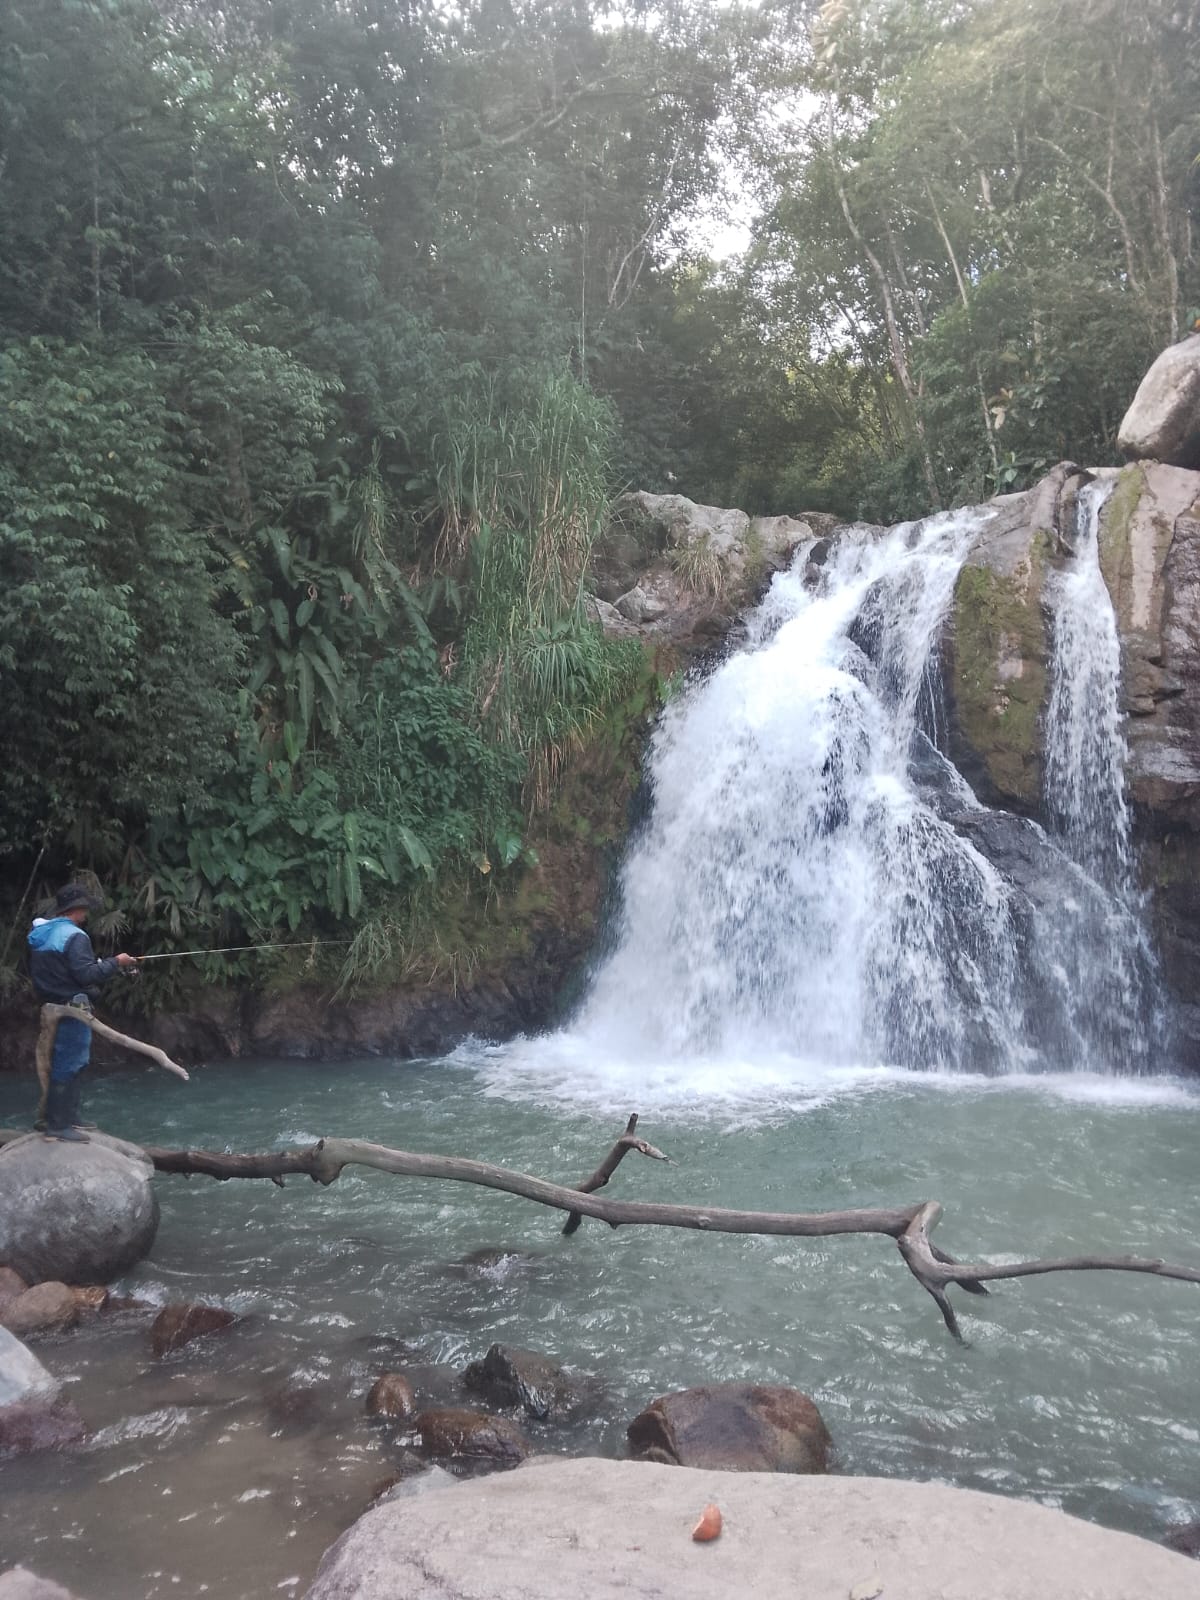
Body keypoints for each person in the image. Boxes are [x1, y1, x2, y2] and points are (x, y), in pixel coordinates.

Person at [27, 883, 138, 1142]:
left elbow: (63, 970)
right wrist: (116, 963)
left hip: (52, 1005)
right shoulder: (76, 936)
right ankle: (57, 1125)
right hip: (73, 1007)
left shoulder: (44, 932)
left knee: (69, 1061)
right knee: (70, 1063)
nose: (87, 913)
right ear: (77, 909)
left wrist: (103, 965)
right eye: (85, 908)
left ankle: (69, 1117)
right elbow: (86, 974)